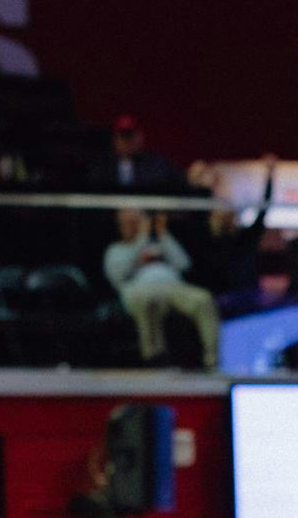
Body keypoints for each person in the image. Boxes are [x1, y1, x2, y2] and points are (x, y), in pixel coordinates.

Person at [103, 209, 220, 368]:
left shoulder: (159, 244)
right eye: (128, 223)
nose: (133, 226)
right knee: (149, 301)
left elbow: (184, 264)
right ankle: (156, 361)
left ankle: (212, 360)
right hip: (139, 291)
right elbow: (117, 278)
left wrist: (162, 234)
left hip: (173, 288)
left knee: (203, 299)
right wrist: (141, 239)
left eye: (136, 222)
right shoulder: (116, 250)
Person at [90, 114, 186, 191]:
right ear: (115, 139)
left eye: (131, 136)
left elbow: (178, 182)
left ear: (140, 137)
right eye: (123, 136)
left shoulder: (156, 166)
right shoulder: (102, 168)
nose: (128, 141)